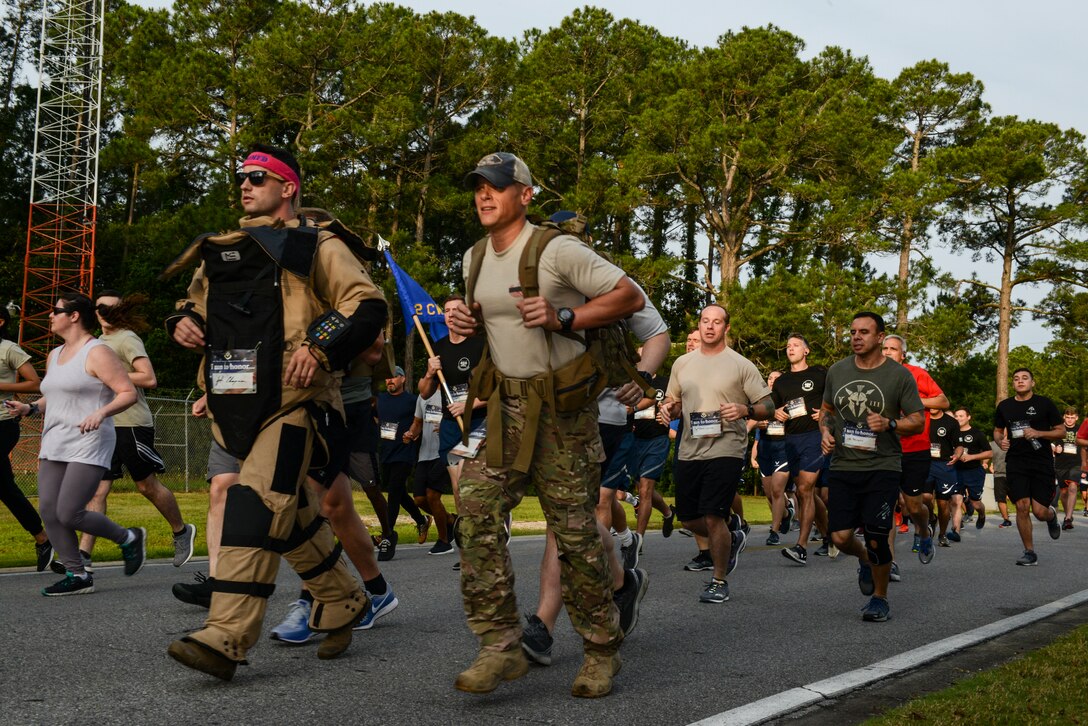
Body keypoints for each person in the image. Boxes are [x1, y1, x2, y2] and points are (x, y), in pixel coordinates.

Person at [164, 144, 388, 679]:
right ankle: (342, 601)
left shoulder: (318, 245)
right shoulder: (227, 249)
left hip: (297, 402)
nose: (245, 185)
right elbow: (192, 303)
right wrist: (182, 323)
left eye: (259, 178)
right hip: (231, 401)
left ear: (287, 188)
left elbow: (366, 304)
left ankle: (225, 636)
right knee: (292, 521)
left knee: (254, 502)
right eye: (241, 177)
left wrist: (318, 347)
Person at [446, 151, 644, 698]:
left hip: (562, 415)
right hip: (508, 410)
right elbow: (488, 318)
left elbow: (629, 295)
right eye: (479, 187)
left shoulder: (557, 250)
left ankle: (602, 649)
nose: (485, 196)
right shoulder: (474, 257)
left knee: (577, 535)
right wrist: (464, 317)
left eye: (497, 187)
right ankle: (500, 644)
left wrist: (566, 317)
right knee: (476, 510)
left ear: (525, 195)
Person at [5, 293, 145, 595]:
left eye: (56, 311)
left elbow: (127, 392)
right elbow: (56, 394)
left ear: (74, 316)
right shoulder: (55, 355)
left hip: (89, 440)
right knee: (49, 510)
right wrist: (30, 408)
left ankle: (128, 538)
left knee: (69, 512)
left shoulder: (97, 352)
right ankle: (77, 574)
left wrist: (101, 412)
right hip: (55, 439)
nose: (50, 316)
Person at [660, 303, 773, 604]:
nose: (710, 327)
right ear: (699, 325)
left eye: (717, 322)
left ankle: (718, 579)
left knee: (712, 515)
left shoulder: (741, 365)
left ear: (727, 328)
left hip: (727, 447)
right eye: (705, 321)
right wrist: (668, 408)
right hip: (689, 447)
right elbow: (674, 401)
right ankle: (732, 534)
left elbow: (769, 406)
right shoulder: (682, 363)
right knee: (688, 518)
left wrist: (745, 409)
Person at [78, 291, 195, 571]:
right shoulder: (95, 344)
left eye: (110, 307)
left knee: (146, 486)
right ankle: (83, 556)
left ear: (120, 311)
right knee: (98, 492)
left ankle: (181, 531)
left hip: (131, 423)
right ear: (94, 312)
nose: (103, 311)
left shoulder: (127, 338)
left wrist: (108, 375)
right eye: (99, 307)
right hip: (104, 424)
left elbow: (149, 377)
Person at [819, 312, 924, 622]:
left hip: (883, 465)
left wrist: (890, 423)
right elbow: (826, 411)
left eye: (864, 332)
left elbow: (917, 420)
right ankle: (865, 559)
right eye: (852, 332)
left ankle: (880, 598)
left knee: (878, 534)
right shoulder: (838, 371)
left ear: (880, 337)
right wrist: (825, 433)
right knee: (839, 537)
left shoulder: (899, 375)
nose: (856, 337)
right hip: (843, 465)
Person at [881, 334, 947, 566]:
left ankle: (925, 532)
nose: (887, 352)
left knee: (914, 506)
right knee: (885, 508)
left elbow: (943, 401)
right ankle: (888, 564)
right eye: (884, 348)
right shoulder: (876, 377)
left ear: (903, 354)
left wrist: (914, 401)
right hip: (884, 450)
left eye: (893, 349)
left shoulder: (917, 374)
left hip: (915, 450)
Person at [0, 304, 53, 571]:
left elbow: (35, 383)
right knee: (6, 488)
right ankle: (44, 540)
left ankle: (46, 540)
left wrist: (1, 386)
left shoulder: (9, 349)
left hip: (3, 424)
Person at [993, 368, 1063, 566]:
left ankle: (1051, 516)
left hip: (1041, 462)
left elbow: (1061, 431)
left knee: (1039, 512)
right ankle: (1029, 552)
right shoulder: (1005, 406)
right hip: (1016, 461)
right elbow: (997, 431)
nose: (1020, 381)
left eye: (1025, 378)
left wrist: (1039, 433)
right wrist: (1000, 442)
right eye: (1016, 379)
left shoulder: (1044, 404)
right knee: (1022, 506)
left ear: (1033, 383)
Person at [771, 334, 829, 562]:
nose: (790, 349)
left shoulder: (819, 374)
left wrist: (827, 412)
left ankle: (801, 546)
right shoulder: (782, 381)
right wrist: (775, 412)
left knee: (804, 489)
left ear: (806, 351)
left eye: (795, 345)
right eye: (787, 346)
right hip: (791, 439)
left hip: (814, 437)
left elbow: (834, 398)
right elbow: (772, 405)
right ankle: (827, 535)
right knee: (806, 494)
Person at [375, 365, 430, 560]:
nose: (390, 380)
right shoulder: (380, 399)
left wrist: (415, 435)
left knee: (394, 492)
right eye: (388, 378)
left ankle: (386, 533)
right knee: (397, 491)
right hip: (386, 453)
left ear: (403, 379)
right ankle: (421, 520)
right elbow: (374, 417)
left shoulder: (412, 400)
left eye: (394, 377)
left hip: (405, 453)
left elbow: (423, 420)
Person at [406, 389, 455, 555]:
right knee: (419, 499)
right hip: (424, 454)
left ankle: (444, 541)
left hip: (444, 450)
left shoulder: (451, 391)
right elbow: (417, 422)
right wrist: (411, 432)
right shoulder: (423, 395)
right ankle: (449, 519)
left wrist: (447, 427)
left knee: (433, 496)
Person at [751, 370, 789, 546]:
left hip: (783, 446)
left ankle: (774, 531)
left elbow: (798, 418)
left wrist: (780, 415)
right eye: (770, 378)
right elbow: (752, 419)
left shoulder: (788, 396)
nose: (772, 381)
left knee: (777, 490)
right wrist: (759, 423)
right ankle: (787, 513)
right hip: (765, 447)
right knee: (768, 492)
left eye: (776, 378)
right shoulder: (761, 399)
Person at [928, 407, 963, 546]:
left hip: (944, 465)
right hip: (924, 463)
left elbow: (959, 445)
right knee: (924, 498)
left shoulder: (951, 422)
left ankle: (942, 534)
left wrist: (958, 454)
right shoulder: (920, 418)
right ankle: (931, 516)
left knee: (943, 504)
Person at [952, 406, 992, 528]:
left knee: (975, 503)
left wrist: (971, 457)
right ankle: (956, 530)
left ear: (968, 417)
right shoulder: (951, 433)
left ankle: (981, 514)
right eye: (956, 416)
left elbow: (990, 453)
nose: (958, 418)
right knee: (956, 501)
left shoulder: (977, 434)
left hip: (974, 472)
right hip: (955, 471)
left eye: (961, 416)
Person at [1052, 407, 1080, 529]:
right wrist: (1054, 448)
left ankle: (1068, 518)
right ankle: (1068, 513)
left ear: (1077, 418)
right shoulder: (1058, 428)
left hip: (1077, 463)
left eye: (1072, 417)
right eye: (1067, 417)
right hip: (1060, 464)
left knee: (1072, 487)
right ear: (1064, 417)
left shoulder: (1081, 430)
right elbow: (1047, 440)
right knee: (1063, 492)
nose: (1069, 420)